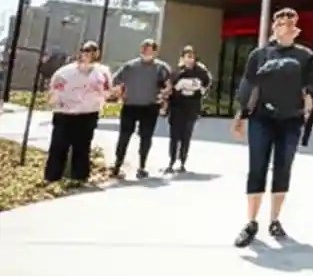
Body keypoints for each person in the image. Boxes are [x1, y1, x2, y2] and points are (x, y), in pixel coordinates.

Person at [231, 7, 313, 248]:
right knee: (257, 167)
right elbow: (248, 87)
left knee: (283, 168)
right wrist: (241, 116)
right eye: (281, 22)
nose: (286, 25)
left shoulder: (305, 56)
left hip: (291, 120)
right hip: (261, 118)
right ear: (273, 26)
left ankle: (275, 220)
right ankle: (251, 222)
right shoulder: (260, 55)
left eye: (291, 22)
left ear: (296, 27)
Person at [44, 41, 114, 185]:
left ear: (97, 54)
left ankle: (79, 178)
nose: (89, 54)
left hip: (88, 113)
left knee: (82, 147)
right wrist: (55, 102)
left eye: (93, 51)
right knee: (58, 146)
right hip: (65, 114)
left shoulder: (102, 72)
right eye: (86, 51)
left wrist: (104, 96)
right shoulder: (65, 72)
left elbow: (107, 91)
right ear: (80, 52)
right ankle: (52, 177)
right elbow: (54, 91)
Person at [110, 39, 173, 179]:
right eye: (144, 48)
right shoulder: (130, 66)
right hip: (130, 106)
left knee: (146, 137)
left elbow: (169, 86)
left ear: (155, 52)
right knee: (124, 136)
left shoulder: (161, 68)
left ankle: (142, 166)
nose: (146, 52)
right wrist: (120, 93)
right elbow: (115, 81)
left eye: (149, 49)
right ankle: (117, 165)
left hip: (150, 107)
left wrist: (163, 99)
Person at [165, 45, 212, 174]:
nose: (190, 59)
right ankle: (171, 161)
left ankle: (182, 161)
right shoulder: (177, 72)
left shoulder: (201, 72)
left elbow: (207, 85)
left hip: (192, 108)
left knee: (186, 135)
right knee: (174, 136)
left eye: (192, 56)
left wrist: (201, 90)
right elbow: (170, 88)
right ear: (182, 58)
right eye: (187, 56)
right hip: (177, 108)